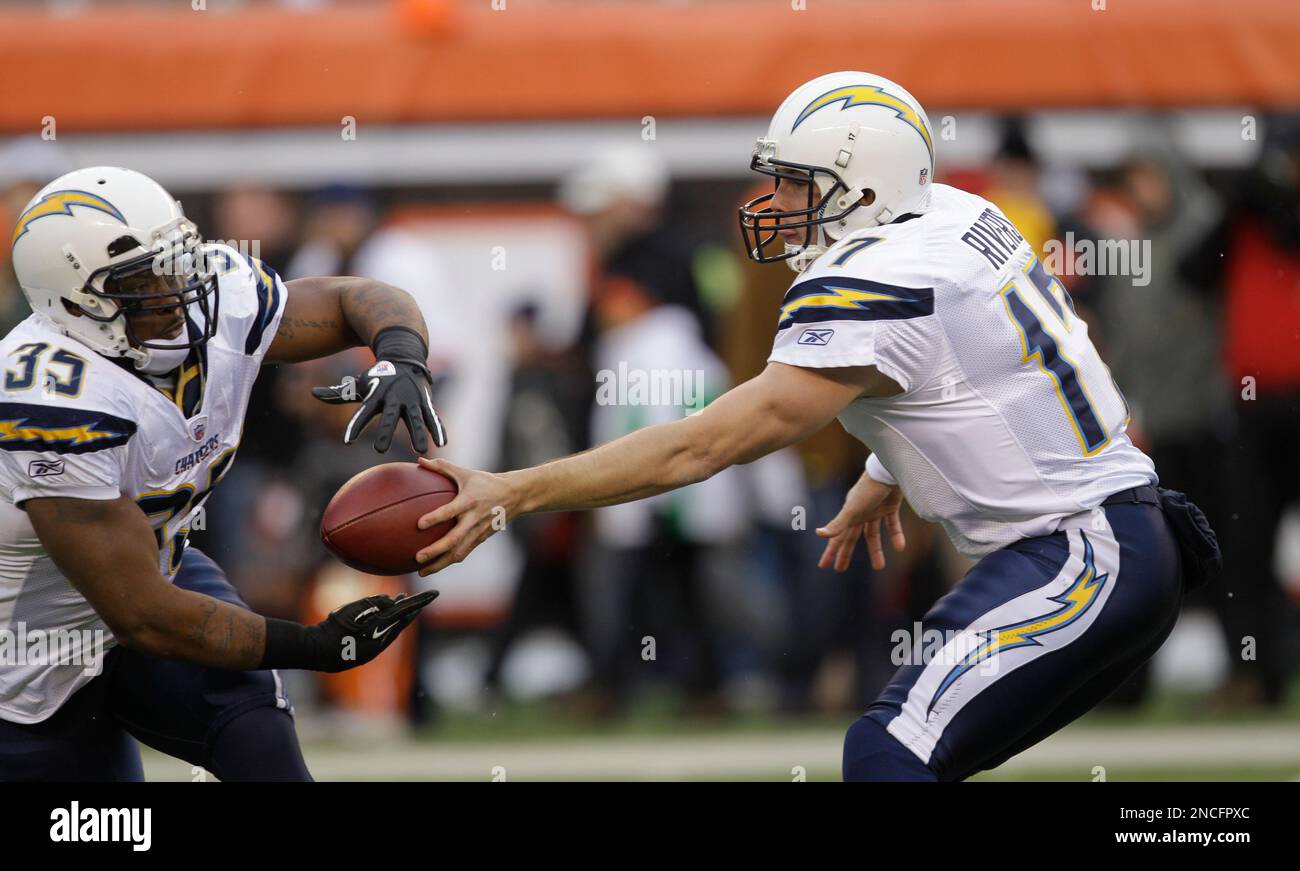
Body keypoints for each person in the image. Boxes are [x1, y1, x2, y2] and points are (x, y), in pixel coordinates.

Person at [410, 71, 1219, 782]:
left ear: (865, 189)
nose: (778, 204)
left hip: (1079, 554)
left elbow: (705, 442)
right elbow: (975, 361)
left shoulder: (870, 275)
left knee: (887, 753)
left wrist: (512, 491)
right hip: (1118, 542)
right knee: (912, 755)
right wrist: (887, 470)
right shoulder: (951, 214)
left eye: (800, 184)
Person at [0, 166, 446, 781]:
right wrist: (313, 645)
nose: (178, 283)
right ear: (80, 299)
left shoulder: (216, 298)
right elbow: (142, 615)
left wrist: (401, 355)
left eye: (175, 258)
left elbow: (354, 297)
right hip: (28, 652)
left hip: (160, 573)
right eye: (146, 275)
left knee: (261, 742)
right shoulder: (54, 396)